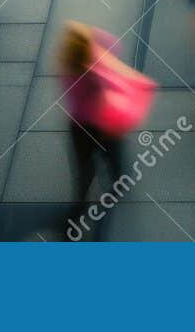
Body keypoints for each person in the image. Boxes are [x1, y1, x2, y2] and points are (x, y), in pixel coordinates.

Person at [57, 22, 144, 234]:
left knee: (84, 167)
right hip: (105, 124)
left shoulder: (67, 71)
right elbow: (116, 47)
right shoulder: (97, 59)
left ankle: (80, 203)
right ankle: (117, 179)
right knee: (113, 154)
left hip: (79, 126)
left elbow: (77, 102)